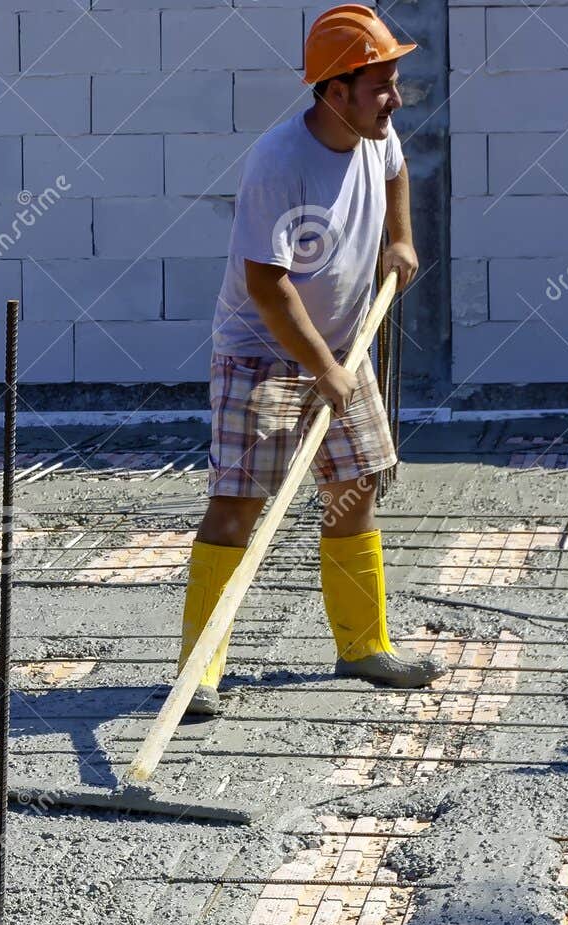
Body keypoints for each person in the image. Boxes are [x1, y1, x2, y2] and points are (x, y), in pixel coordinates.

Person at [178, 3, 446, 719]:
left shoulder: (375, 135)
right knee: (238, 505)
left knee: (355, 486)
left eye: (394, 80)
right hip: (261, 352)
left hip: (339, 343)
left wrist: (401, 239)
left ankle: (363, 645)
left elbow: (397, 173)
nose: (395, 98)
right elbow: (268, 288)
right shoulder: (278, 163)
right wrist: (323, 369)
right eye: (381, 85)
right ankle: (198, 673)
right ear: (335, 91)